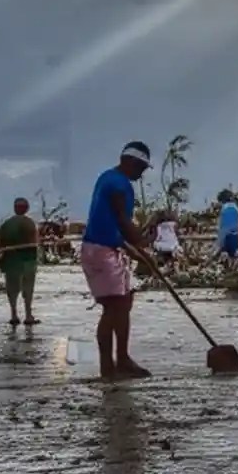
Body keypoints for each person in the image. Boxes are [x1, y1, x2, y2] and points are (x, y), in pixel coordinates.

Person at [81, 142, 154, 380]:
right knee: (114, 308)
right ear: (130, 162)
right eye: (142, 168)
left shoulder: (108, 178)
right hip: (101, 251)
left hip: (104, 248)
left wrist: (138, 253)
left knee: (123, 304)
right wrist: (142, 243)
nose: (141, 174)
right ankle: (109, 367)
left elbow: (113, 228)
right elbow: (122, 222)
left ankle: (121, 359)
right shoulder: (118, 185)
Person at [0, 196, 41, 327]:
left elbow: (1, 245)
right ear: (26, 208)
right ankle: (28, 315)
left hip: (10, 262)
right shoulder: (30, 223)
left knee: (12, 289)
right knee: (28, 288)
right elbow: (34, 243)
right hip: (27, 261)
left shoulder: (6, 225)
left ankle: (14, 314)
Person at [215, 190, 238, 263]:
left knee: (224, 257)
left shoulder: (224, 208)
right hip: (234, 236)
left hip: (226, 237)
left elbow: (222, 226)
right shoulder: (236, 208)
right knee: (234, 257)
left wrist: (219, 243)